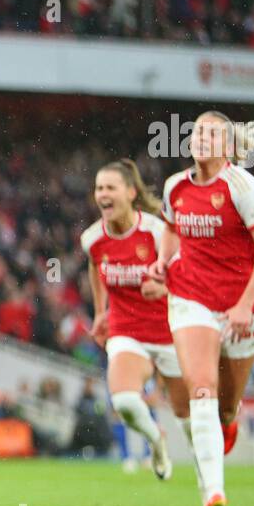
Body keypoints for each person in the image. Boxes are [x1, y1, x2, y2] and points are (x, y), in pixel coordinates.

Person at [147, 111, 254, 506]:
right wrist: (162, 262)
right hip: (190, 297)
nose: (202, 137)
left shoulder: (243, 186)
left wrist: (243, 305)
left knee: (225, 406)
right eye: (198, 131)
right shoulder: (175, 187)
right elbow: (171, 229)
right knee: (200, 388)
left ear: (227, 146)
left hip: (242, 304)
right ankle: (214, 494)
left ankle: (228, 420)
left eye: (212, 133)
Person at [83, 159, 186, 479]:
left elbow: (187, 273)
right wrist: (101, 312)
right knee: (125, 401)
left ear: (130, 192)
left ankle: (210, 486)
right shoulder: (92, 239)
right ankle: (156, 441)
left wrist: (166, 285)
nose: (103, 194)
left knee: (191, 416)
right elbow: (95, 268)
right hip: (126, 331)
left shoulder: (156, 233)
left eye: (110, 187)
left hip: (170, 331)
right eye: (99, 188)